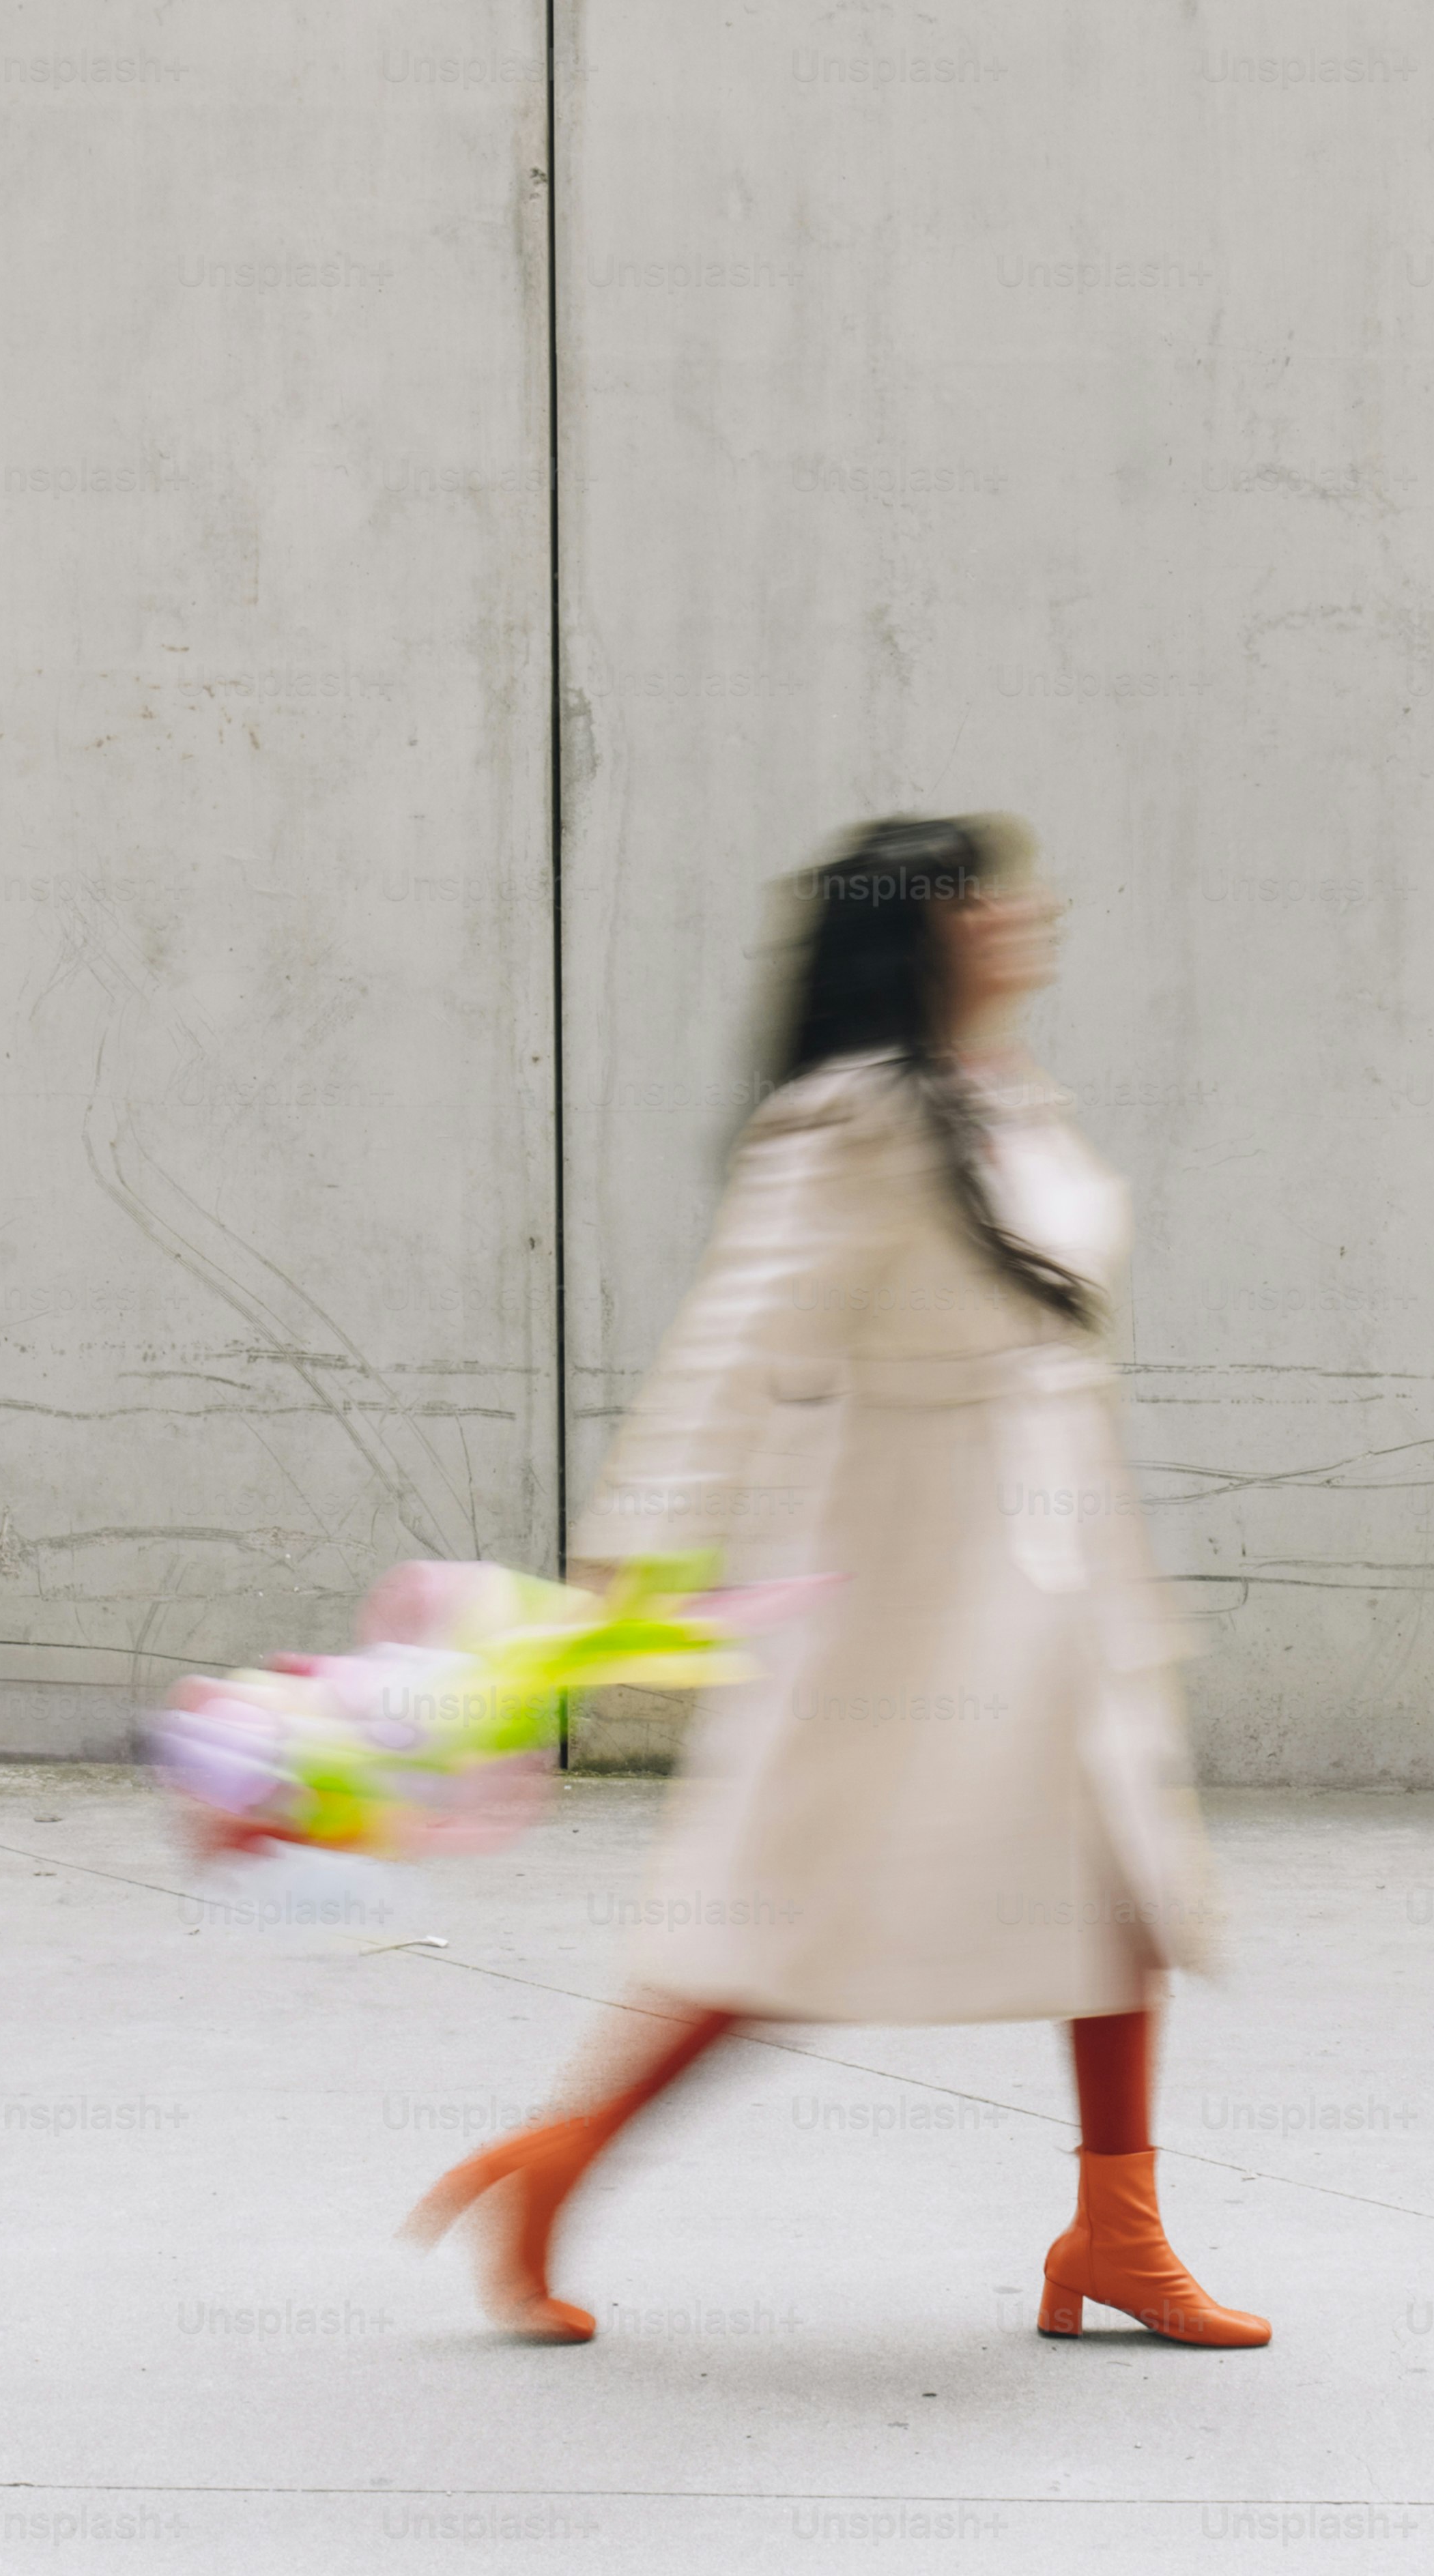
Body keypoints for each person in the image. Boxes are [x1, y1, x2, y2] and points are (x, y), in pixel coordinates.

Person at [409, 813, 1265, 2351]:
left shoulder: (1007, 1099)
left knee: (1117, 1876)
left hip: (1054, 1553)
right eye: (985, 904)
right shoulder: (850, 1119)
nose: (1023, 919)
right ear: (921, 934)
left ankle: (1119, 2229)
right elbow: (732, 1345)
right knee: (800, 1909)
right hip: (913, 1572)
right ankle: (555, 2159)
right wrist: (629, 1559)